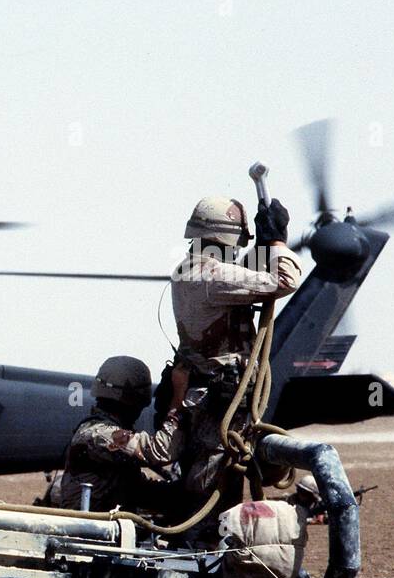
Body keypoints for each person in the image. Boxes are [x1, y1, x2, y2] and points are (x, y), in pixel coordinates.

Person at [167, 196, 303, 499]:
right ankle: (204, 540)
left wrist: (264, 247)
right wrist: (278, 243)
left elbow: (242, 275)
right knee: (212, 485)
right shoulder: (212, 276)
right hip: (219, 405)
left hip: (205, 396)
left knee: (213, 478)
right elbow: (285, 280)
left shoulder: (191, 270)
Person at [57, 356, 184, 513]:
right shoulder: (100, 435)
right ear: (135, 402)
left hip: (103, 529)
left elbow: (140, 491)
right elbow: (160, 452)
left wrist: (187, 493)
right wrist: (178, 403)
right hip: (88, 533)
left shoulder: (104, 436)